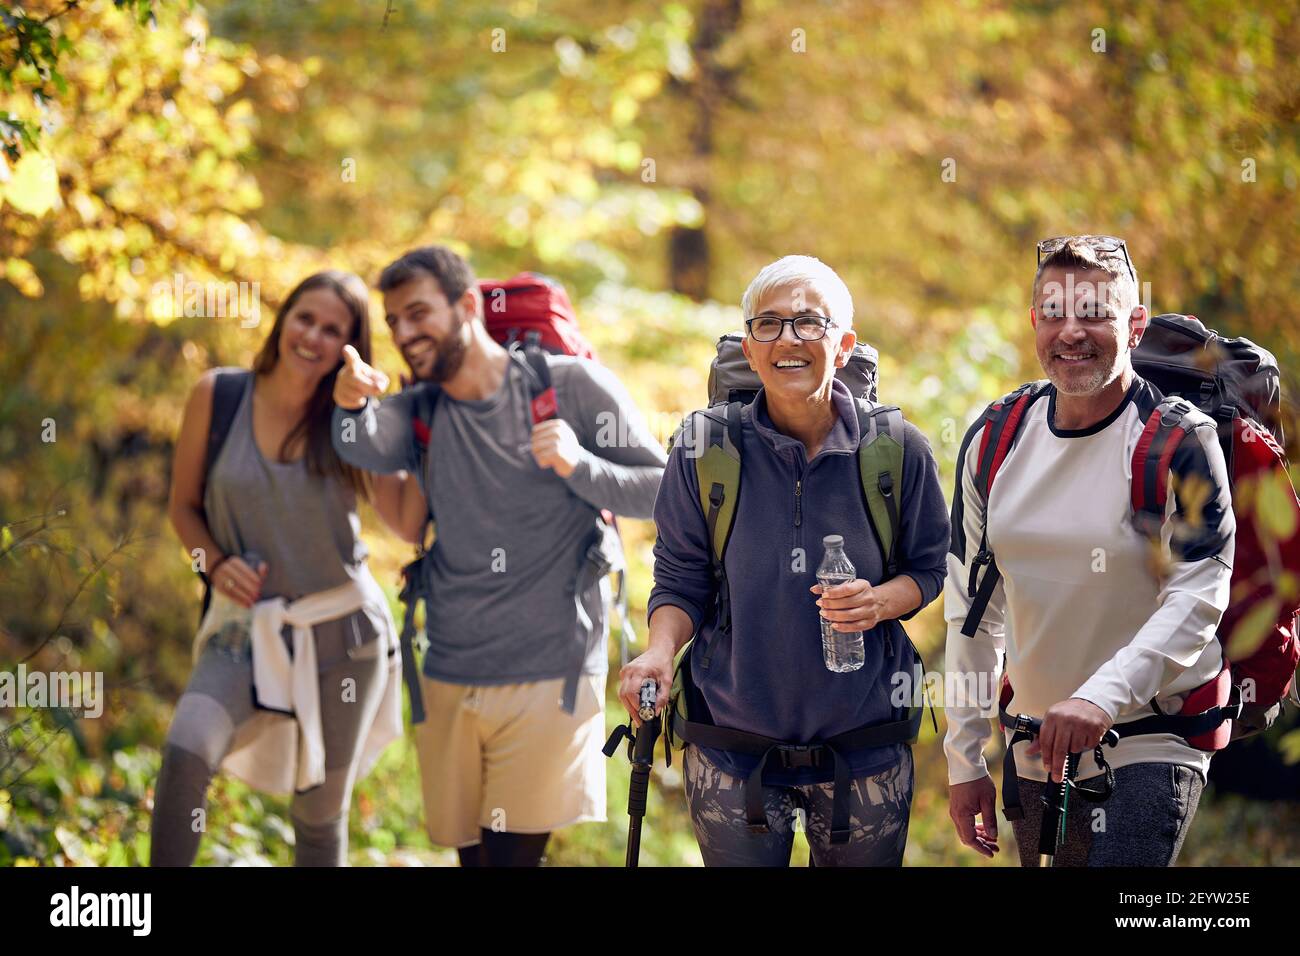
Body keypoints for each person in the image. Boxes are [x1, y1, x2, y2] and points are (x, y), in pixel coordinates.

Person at [331, 245, 666, 867]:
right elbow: (364, 445)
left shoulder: (568, 387)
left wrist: (579, 465)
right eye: (394, 321)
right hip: (452, 671)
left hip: (552, 670)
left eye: (417, 313)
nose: (404, 333)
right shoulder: (422, 408)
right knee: (475, 862)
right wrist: (350, 403)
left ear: (465, 306)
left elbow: (666, 489)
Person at [622, 255, 950, 867]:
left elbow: (932, 568)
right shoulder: (703, 448)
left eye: (807, 323)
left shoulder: (897, 450)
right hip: (729, 741)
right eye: (767, 325)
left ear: (844, 344)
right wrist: (659, 652)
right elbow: (679, 579)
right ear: (749, 348)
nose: (787, 340)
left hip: (865, 742)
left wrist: (880, 601)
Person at [944, 235, 1235, 866]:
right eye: (1054, 312)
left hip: (1153, 738)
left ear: (1134, 325)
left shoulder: (1181, 442)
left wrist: (1099, 697)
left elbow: (1199, 595)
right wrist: (964, 758)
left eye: (1095, 313)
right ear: (1034, 324)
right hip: (1035, 747)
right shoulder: (995, 438)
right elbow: (971, 610)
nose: (1071, 332)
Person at [154, 270, 414, 866]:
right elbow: (183, 508)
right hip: (243, 630)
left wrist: (365, 412)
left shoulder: (350, 418)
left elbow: (401, 513)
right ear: (283, 319)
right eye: (306, 318)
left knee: (319, 816)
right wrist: (213, 562)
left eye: (333, 330)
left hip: (346, 639)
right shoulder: (216, 396)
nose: (314, 337)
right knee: (186, 749)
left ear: (349, 349)